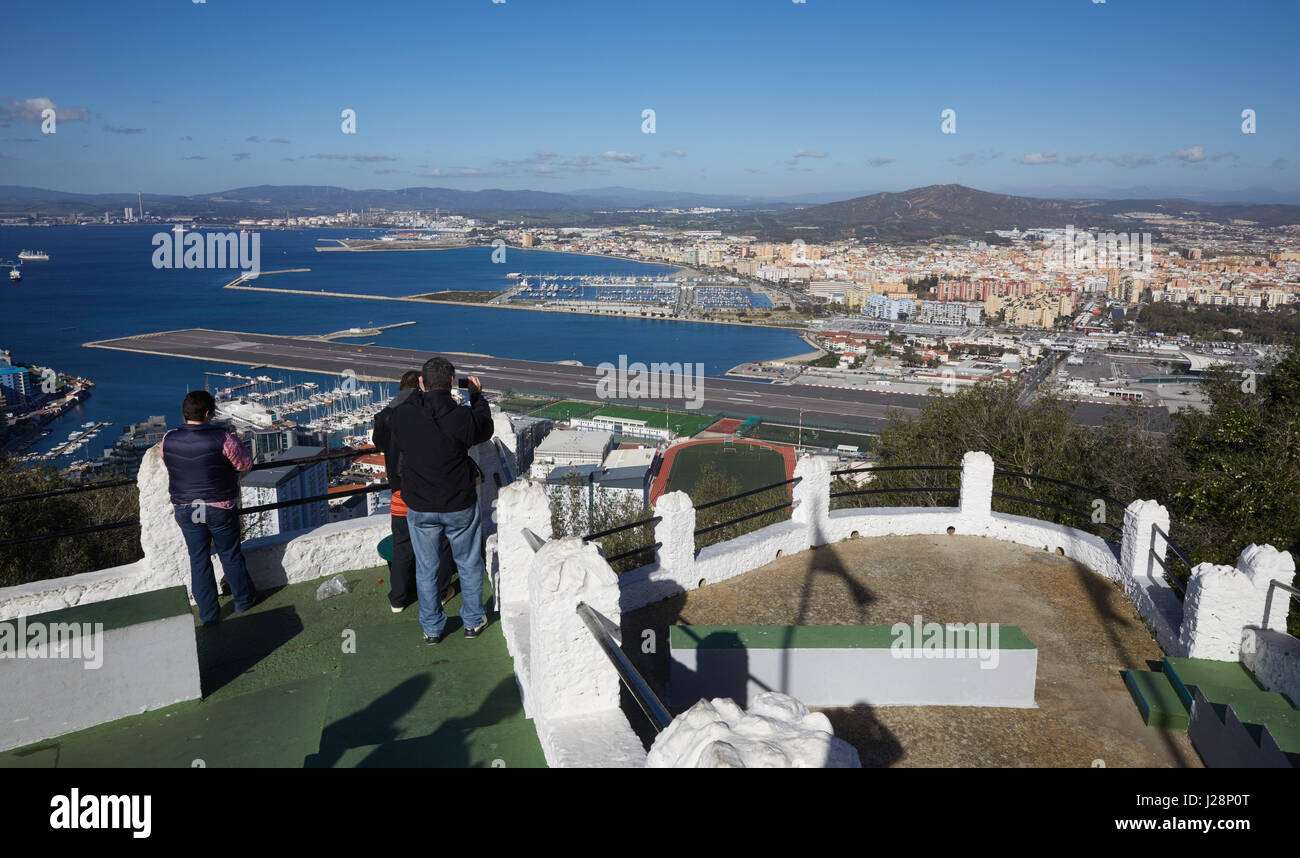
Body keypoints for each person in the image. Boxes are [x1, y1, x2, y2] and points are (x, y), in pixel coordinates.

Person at [389, 357, 494, 644]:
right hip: (458, 501)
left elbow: (399, 416)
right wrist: (476, 397)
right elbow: (484, 428)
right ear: (451, 383)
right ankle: (472, 622)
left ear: (421, 383)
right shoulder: (461, 416)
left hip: (420, 504)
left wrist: (424, 395)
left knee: (427, 568)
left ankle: (433, 628)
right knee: (468, 562)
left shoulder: (403, 415)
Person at [158, 390, 258, 626]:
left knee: (198, 559)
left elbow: (167, 461)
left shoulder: (168, 439)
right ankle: (243, 600)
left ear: (185, 414)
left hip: (186, 507)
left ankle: (209, 615)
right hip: (219, 505)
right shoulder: (224, 439)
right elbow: (245, 464)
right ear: (208, 413)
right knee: (230, 554)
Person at [371, 370, 456, 613]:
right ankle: (440, 592)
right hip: (425, 492)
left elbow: (379, 443)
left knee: (402, 546)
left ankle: (397, 598)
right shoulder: (423, 414)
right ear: (420, 387)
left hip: (398, 494)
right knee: (440, 543)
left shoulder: (386, 416)